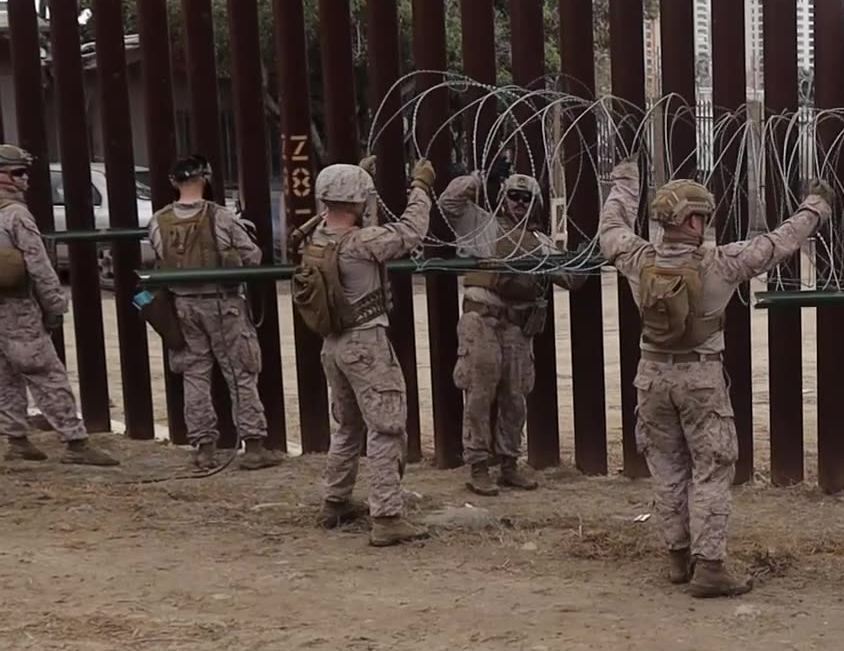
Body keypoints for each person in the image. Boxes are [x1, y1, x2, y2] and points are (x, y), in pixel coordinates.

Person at [597, 163, 833, 597]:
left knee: (667, 469)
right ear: (692, 220)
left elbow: (610, 226)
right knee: (711, 470)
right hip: (700, 377)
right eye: (702, 217)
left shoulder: (636, 257)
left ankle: (676, 557)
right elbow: (778, 243)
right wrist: (814, 208)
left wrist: (625, 184)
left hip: (650, 376)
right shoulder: (720, 263)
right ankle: (709, 568)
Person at [296, 156, 436, 545]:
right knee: (386, 427)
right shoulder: (361, 242)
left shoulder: (315, 237)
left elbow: (347, 217)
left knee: (348, 427)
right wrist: (420, 188)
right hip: (366, 344)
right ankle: (387, 515)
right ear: (357, 201)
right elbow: (410, 233)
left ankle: (335, 500)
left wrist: (358, 183)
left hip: (334, 345)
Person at [439, 163, 583, 495]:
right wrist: (474, 181)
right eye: (513, 196)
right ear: (502, 199)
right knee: (478, 394)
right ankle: (477, 465)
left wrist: (581, 256)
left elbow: (572, 279)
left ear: (536, 205)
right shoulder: (482, 226)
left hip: (517, 328)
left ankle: (508, 463)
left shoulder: (541, 243)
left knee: (515, 398)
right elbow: (449, 204)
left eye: (526, 198)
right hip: (482, 323)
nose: (519, 202)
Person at [148, 153, 283, 470]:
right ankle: (253, 446)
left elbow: (160, 257)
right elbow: (253, 257)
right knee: (240, 373)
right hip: (223, 304)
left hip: (182, 306)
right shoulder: (221, 217)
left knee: (194, 376)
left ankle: (204, 448)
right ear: (205, 178)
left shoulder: (158, 220)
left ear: (174, 182)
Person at [0, 144, 118, 466]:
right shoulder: (16, 215)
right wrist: (55, 305)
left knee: (6, 377)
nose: (26, 179)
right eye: (20, 173)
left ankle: (17, 440)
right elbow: (38, 265)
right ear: (4, 177)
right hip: (18, 309)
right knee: (48, 375)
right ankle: (75, 442)